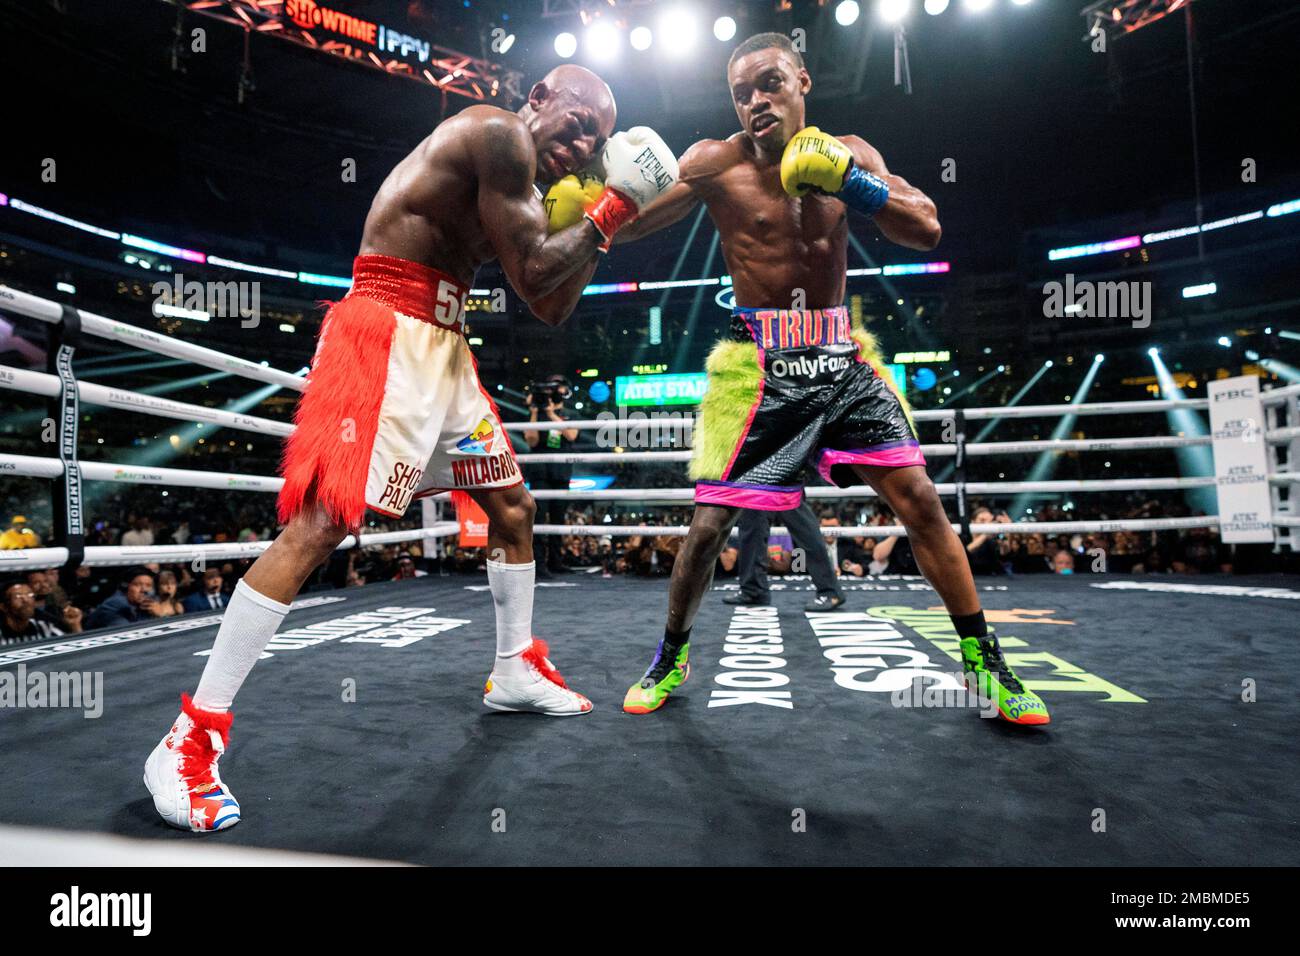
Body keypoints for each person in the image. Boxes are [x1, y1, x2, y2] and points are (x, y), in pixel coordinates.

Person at [142, 63, 679, 832]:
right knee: (323, 524)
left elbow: (552, 308)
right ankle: (189, 738)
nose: (587, 141)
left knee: (513, 507)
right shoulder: (498, 135)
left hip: (442, 342)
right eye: (579, 120)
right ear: (538, 99)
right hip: (386, 329)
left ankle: (513, 668)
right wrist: (615, 205)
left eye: (599, 135)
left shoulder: (525, 181)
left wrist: (608, 215)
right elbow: (532, 275)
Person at [616, 33, 1047, 726]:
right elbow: (629, 224)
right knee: (707, 528)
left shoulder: (851, 150)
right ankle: (671, 654)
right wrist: (596, 205)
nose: (755, 100)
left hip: (839, 356)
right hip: (759, 364)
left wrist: (852, 180)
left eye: (768, 83)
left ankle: (983, 659)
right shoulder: (712, 163)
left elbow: (928, 228)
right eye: (741, 92)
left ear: (802, 82)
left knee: (921, 501)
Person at [725, 501, 845, 610]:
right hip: (754, 479)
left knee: (797, 516)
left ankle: (830, 591)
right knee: (752, 516)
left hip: (781, 479)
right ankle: (753, 590)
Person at [522, 374, 580, 576]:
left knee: (558, 519)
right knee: (538, 518)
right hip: (540, 472)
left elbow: (571, 435)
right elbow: (531, 441)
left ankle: (556, 561)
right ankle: (538, 563)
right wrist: (536, 412)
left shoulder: (569, 414)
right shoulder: (536, 414)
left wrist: (551, 413)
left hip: (561, 472)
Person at [85, 569, 158, 630]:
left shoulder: (146, 604)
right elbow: (129, 633)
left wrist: (160, 614)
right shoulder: (114, 604)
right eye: (137, 584)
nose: (144, 590)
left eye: (148, 585)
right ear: (125, 587)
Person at [1, 580, 65, 644]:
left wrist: (74, 626)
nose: (26, 600)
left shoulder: (45, 627)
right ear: (4, 607)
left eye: (30, 594)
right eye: (17, 596)